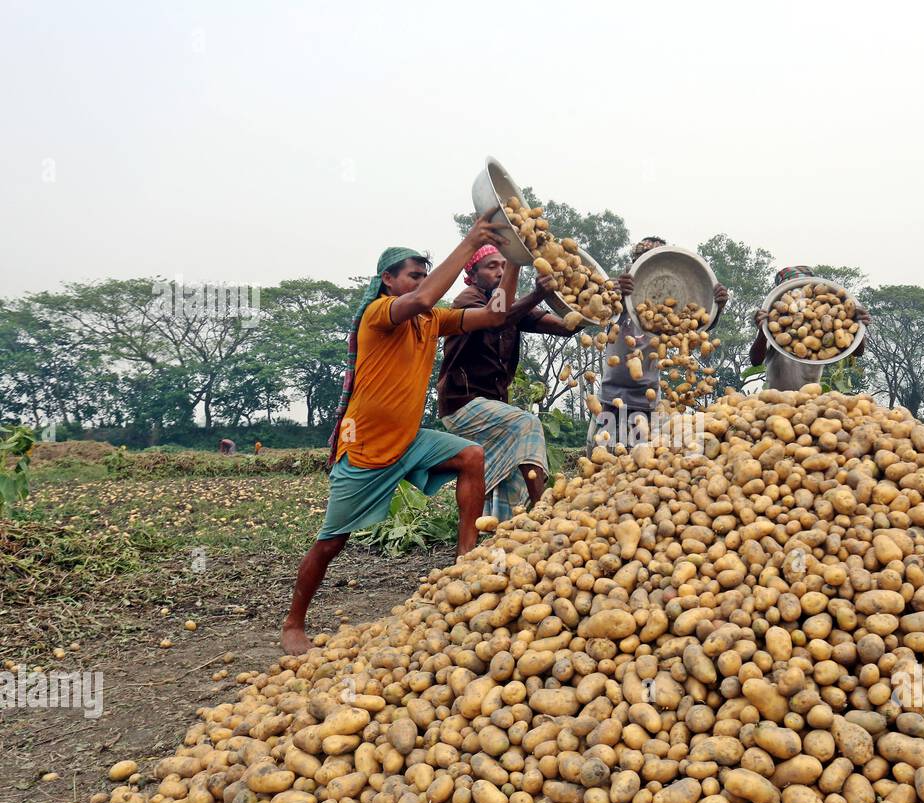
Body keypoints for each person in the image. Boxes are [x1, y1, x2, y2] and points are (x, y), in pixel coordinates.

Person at [280, 215, 555, 655]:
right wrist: (470, 242)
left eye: (424, 275)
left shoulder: (431, 321)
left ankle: (465, 558)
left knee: (470, 457)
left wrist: (517, 261)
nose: (422, 283)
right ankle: (294, 622)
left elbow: (497, 314)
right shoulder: (380, 314)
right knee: (332, 543)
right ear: (387, 280)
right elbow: (426, 297)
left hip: (409, 440)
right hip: (368, 451)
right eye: (412, 275)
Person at [438, 244, 577, 520]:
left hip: (492, 406)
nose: (500, 272)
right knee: (527, 423)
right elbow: (496, 318)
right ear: (472, 274)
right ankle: (543, 511)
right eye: (492, 267)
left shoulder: (512, 307)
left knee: (511, 471)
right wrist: (537, 294)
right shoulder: (468, 300)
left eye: (504, 265)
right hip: (462, 404)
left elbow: (564, 327)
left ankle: (499, 530)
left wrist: (586, 307)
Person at [588, 237, 729, 448]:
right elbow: (597, 311)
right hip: (610, 398)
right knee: (598, 456)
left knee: (639, 462)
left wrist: (718, 306)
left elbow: (698, 329)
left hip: (646, 402)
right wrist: (615, 292)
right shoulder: (617, 300)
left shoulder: (668, 316)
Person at [749, 265, 867, 392]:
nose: (800, 296)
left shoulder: (828, 325)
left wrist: (859, 325)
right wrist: (762, 331)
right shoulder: (775, 327)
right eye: (794, 292)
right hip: (778, 399)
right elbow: (755, 360)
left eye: (803, 290)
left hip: (810, 399)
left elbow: (857, 352)